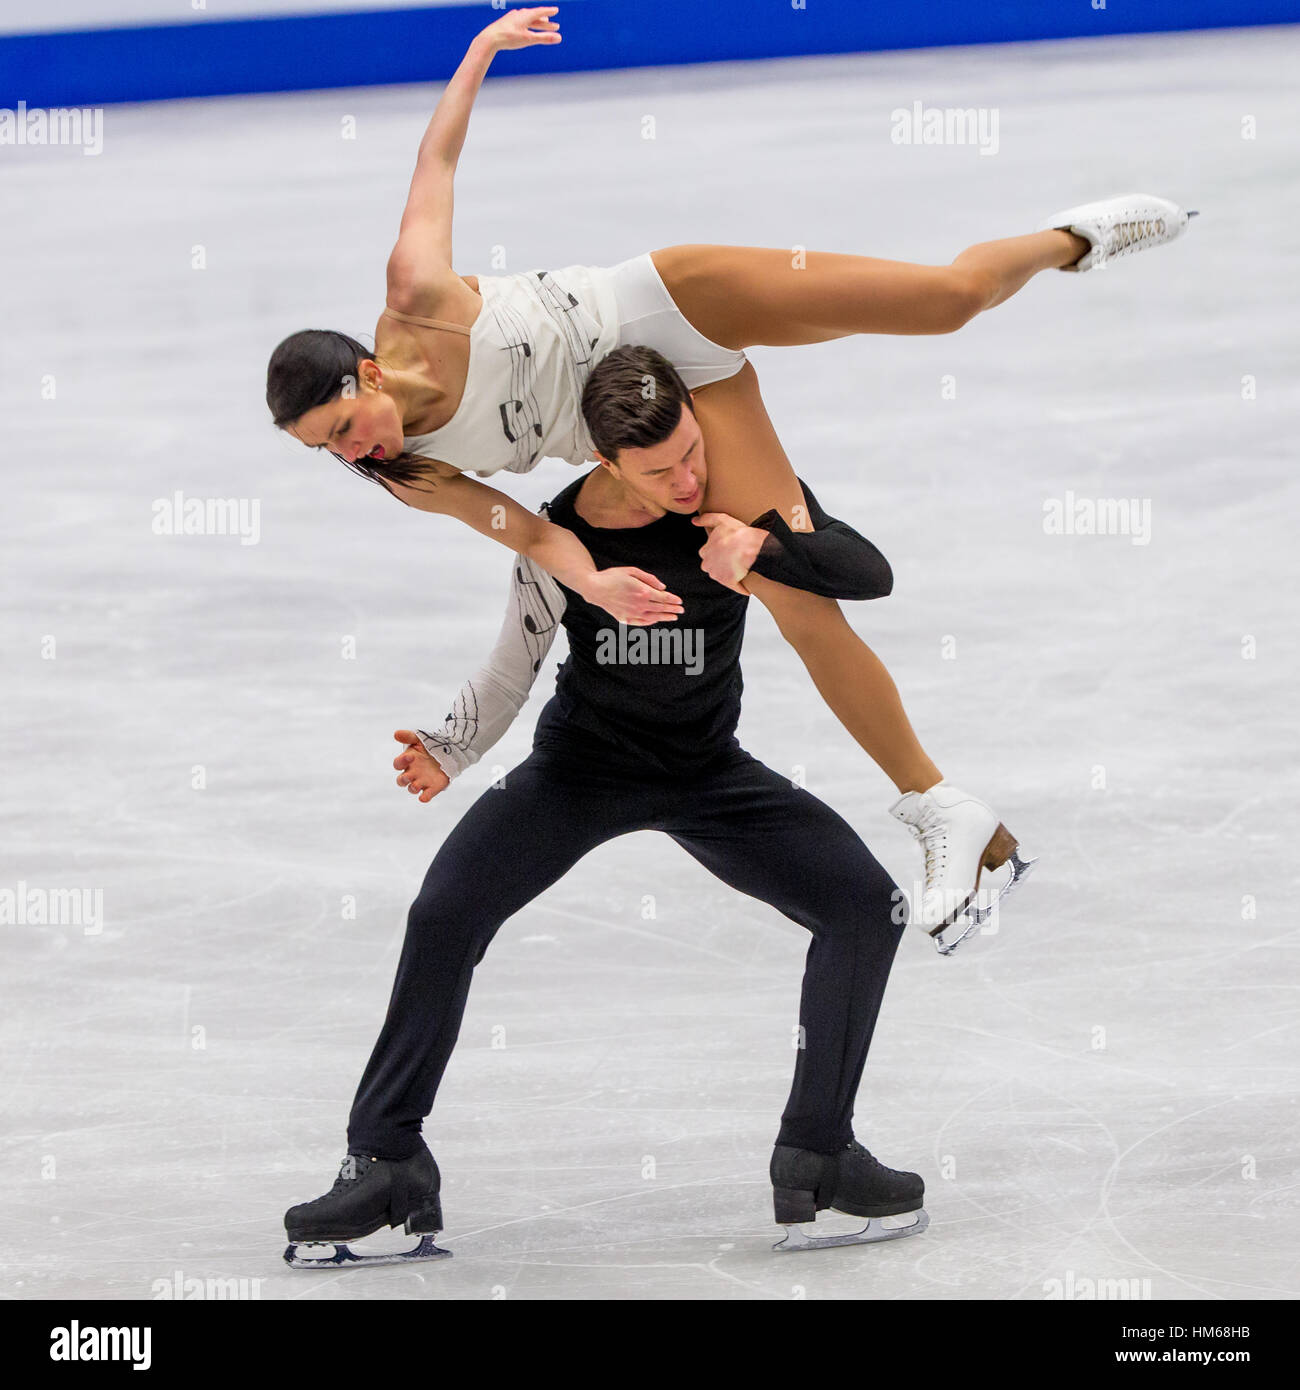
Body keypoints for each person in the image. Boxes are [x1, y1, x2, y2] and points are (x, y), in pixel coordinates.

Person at [264, 5, 1186, 929]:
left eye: (345, 424)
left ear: (368, 371)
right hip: (647, 428)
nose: (353, 451)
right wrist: (598, 582)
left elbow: (437, 165)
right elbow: (526, 529)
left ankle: (1074, 241)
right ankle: (941, 807)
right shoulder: (406, 471)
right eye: (327, 450)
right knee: (787, 582)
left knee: (945, 302)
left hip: (664, 309)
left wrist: (478, 52)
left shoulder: (416, 293)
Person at [284, 346, 937, 1265]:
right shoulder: (560, 538)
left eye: (691, 453)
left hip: (708, 772)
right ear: (602, 463)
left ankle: (818, 1153)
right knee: (443, 913)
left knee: (868, 907)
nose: (687, 478)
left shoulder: (736, 502)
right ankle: (387, 1160)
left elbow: (871, 574)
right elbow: (513, 666)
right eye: (660, 470)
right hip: (579, 772)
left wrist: (767, 544)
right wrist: (450, 747)